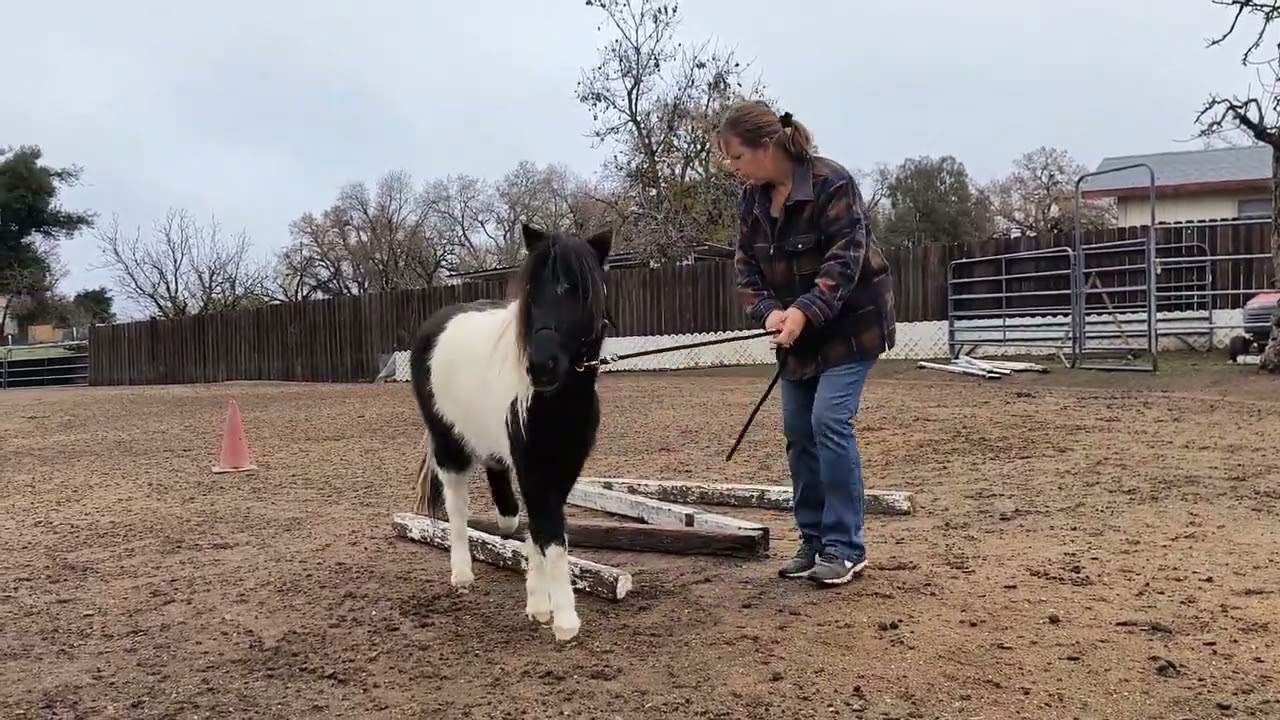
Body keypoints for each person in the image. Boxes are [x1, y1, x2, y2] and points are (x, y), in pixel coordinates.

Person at [716, 100, 896, 586]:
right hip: (797, 336)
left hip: (851, 328)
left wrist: (802, 311)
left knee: (828, 423)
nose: (731, 168)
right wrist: (770, 312)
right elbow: (745, 271)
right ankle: (814, 541)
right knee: (799, 431)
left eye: (735, 157)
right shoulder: (752, 202)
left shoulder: (832, 183)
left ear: (766, 145)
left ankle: (845, 547)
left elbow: (845, 261)